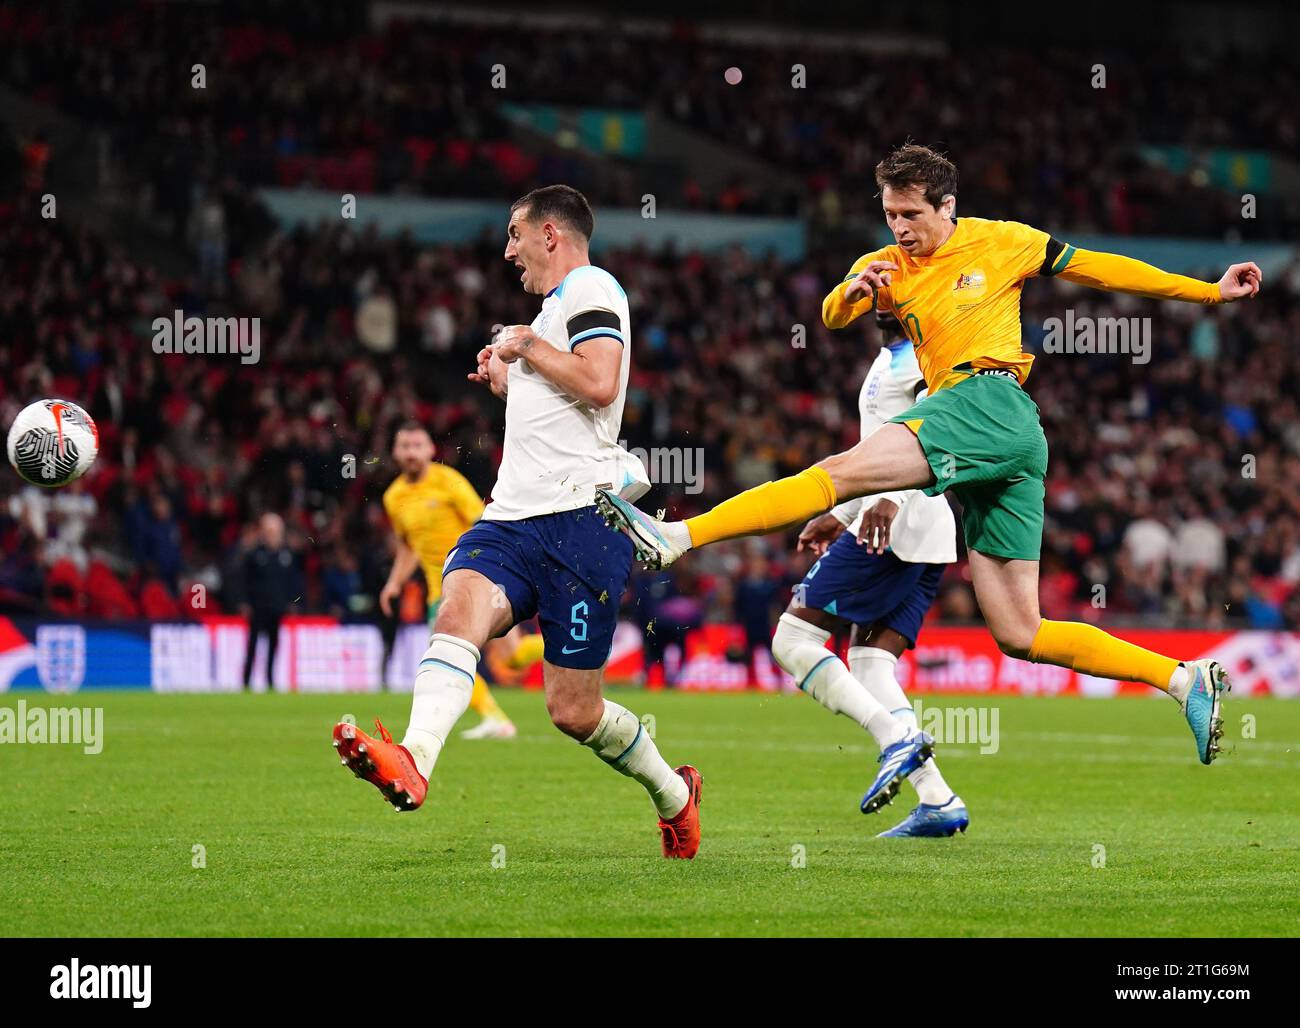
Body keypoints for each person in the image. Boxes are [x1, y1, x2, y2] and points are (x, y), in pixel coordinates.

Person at [597, 143, 1261, 809]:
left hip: (991, 401)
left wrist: (1207, 290)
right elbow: (833, 316)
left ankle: (678, 538)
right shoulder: (885, 262)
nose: (900, 228)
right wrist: (849, 293)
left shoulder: (1004, 241)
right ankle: (1182, 679)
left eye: (911, 213)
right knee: (1019, 632)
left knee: (838, 472)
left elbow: (1101, 270)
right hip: (997, 440)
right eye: (890, 213)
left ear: (948, 206)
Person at [334, 185, 703, 859]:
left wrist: (526, 347)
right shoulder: (555, 312)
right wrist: (513, 380)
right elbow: (567, 402)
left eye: (515, 234)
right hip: (511, 518)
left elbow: (598, 382)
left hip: (582, 524)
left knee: (573, 712)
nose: (508, 251)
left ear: (551, 235)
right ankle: (412, 759)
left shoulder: (592, 288)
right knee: (456, 612)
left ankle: (675, 795)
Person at [777, 311, 963, 836]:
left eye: (889, 280)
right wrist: (843, 512)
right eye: (871, 280)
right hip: (921, 531)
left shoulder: (928, 352)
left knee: (792, 640)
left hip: (899, 527)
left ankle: (893, 738)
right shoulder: (889, 357)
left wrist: (887, 498)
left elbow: (938, 430)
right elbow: (879, 450)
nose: (877, 291)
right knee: (871, 664)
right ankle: (938, 800)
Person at [379, 422, 517, 739]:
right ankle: (495, 717)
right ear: (395, 452)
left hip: (471, 578)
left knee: (476, 658)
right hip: (436, 590)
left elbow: (483, 522)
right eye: (404, 446)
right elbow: (407, 545)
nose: (411, 452)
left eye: (417, 445)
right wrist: (394, 583)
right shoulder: (393, 496)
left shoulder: (449, 481)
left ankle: (494, 717)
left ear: (430, 450)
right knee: (498, 656)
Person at [241, 513, 301, 692]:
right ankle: (246, 681)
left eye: (276, 531)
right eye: (270, 531)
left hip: (277, 607)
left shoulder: (287, 555)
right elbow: (245, 580)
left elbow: (293, 581)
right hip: (257, 607)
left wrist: (292, 601)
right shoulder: (254, 555)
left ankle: (270, 680)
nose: (273, 535)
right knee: (252, 646)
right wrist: (244, 601)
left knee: (274, 645)